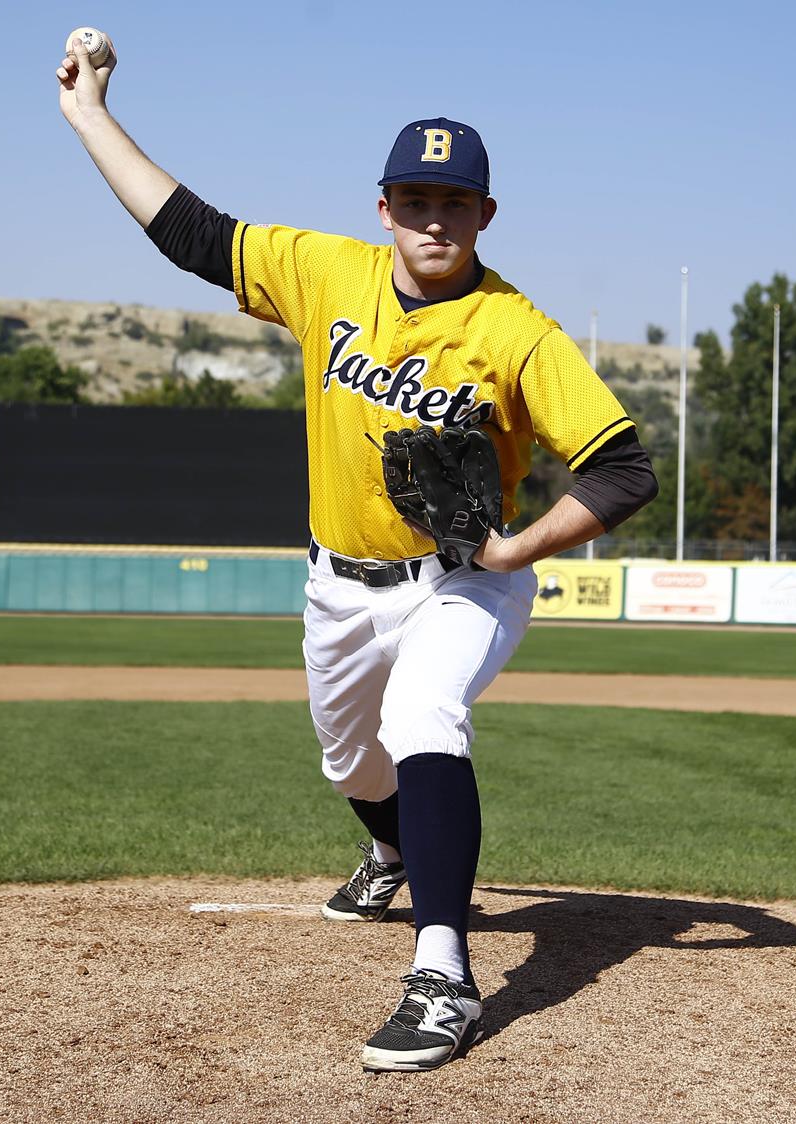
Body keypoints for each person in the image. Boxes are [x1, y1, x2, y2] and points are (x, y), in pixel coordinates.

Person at [57, 35, 657, 1072]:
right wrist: (89, 117)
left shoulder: (514, 332)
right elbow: (190, 233)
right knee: (349, 757)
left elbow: (621, 471)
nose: (434, 218)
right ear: (382, 207)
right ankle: (388, 850)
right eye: (415, 199)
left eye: (454, 202)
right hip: (337, 581)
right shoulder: (321, 272)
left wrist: (516, 547)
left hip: (461, 581)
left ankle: (442, 974)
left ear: (484, 215)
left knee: (423, 712)